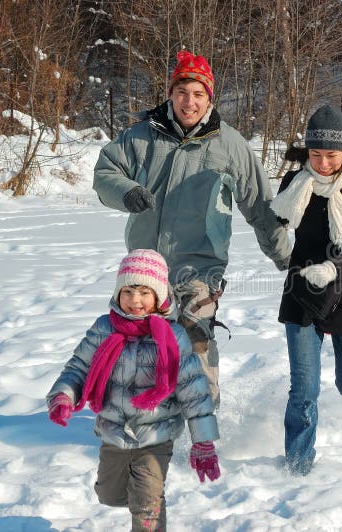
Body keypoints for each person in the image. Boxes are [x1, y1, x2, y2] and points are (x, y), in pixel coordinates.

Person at [92, 50, 291, 408]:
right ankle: (144, 422)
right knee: (145, 350)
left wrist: (286, 257)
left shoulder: (230, 145)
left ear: (209, 98)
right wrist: (128, 192)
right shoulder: (141, 137)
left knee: (196, 343)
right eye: (183, 91)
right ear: (171, 93)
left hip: (201, 265)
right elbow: (105, 173)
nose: (190, 101)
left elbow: (261, 207)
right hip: (146, 269)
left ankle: (203, 425)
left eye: (199, 94)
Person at [46, 249, 221, 532]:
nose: (135, 300)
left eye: (144, 292)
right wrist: (64, 395)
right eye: (127, 291)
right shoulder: (105, 328)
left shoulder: (172, 335)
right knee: (109, 494)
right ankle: (137, 494)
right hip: (113, 432)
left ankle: (147, 503)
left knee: (147, 503)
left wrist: (203, 440)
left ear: (159, 297)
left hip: (155, 435)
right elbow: (79, 367)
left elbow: (194, 390)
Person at [270, 104, 342, 476]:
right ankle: (298, 466)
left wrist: (333, 268)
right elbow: (274, 222)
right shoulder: (292, 184)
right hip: (303, 294)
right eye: (315, 155)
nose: (322, 163)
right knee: (304, 388)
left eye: (331, 155)